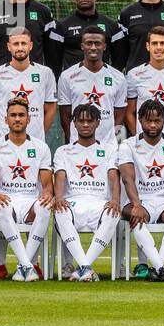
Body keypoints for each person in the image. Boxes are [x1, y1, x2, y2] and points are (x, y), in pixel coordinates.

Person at [118, 100, 164, 282]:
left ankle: (157, 266)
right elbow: (127, 178)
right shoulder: (128, 144)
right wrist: (136, 204)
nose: (152, 125)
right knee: (134, 214)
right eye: (148, 121)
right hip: (141, 200)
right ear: (139, 120)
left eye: (157, 120)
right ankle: (160, 267)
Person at [51, 103, 122, 282]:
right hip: (74, 201)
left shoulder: (109, 149)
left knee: (114, 211)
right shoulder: (63, 151)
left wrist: (115, 199)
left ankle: (83, 266)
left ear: (98, 123)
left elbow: (114, 177)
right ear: (73, 123)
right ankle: (86, 267)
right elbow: (59, 177)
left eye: (90, 121)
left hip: (99, 202)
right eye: (81, 121)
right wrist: (58, 197)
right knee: (59, 209)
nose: (85, 125)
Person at [0, 98, 53, 282]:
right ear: (5, 119)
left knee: (45, 207)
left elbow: (47, 184)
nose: (17, 119)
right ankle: (26, 266)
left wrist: (47, 193)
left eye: (21, 115)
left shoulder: (41, 147)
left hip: (31, 199)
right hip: (5, 199)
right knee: (2, 205)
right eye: (13, 115)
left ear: (28, 119)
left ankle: (25, 265)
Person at [0, 26, 57, 141]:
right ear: (9, 47)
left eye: (24, 43)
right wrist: (1, 137)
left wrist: (39, 136)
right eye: (16, 44)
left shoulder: (45, 73)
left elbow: (51, 109)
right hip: (5, 146)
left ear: (30, 46)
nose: (20, 47)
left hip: (35, 144)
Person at [57, 27, 127, 144]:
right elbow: (65, 115)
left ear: (104, 46)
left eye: (97, 43)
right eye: (89, 43)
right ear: (82, 46)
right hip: (77, 145)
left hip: (108, 146)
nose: (93, 47)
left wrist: (111, 139)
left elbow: (119, 114)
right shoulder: (66, 76)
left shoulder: (118, 77)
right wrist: (73, 140)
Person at [123, 25, 164, 142]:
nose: (158, 47)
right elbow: (129, 113)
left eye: (162, 43)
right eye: (154, 43)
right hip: (144, 145)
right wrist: (140, 137)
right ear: (148, 46)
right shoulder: (134, 74)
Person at [50, 0, 125, 74]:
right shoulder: (61, 26)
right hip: (73, 84)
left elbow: (119, 59)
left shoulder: (112, 25)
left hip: (103, 83)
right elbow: (53, 61)